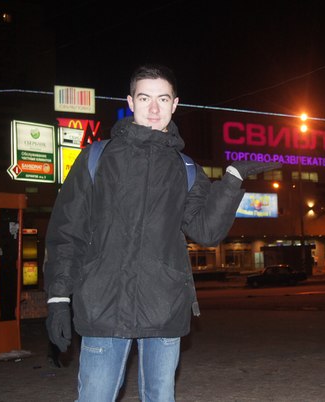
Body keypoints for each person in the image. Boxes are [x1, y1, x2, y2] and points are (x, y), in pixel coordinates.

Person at [44, 64, 280, 401]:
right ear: (130, 101)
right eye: (145, 98)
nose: (154, 108)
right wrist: (58, 299)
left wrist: (232, 179)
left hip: (164, 306)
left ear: (175, 104)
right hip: (102, 306)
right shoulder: (96, 158)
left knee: (160, 396)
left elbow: (207, 232)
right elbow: (67, 233)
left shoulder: (187, 169)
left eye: (163, 99)